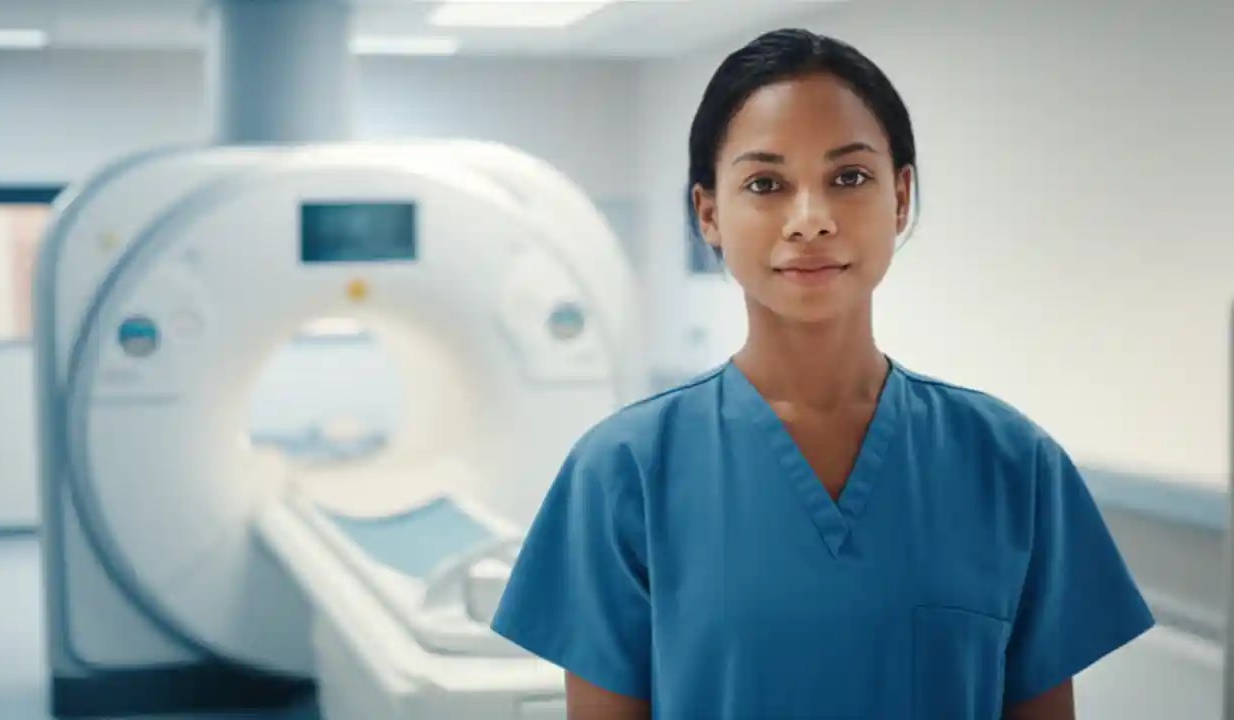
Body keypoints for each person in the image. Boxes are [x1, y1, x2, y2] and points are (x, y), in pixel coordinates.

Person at [490, 27, 1154, 720]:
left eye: (849, 177)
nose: (810, 221)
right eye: (766, 184)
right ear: (709, 213)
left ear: (900, 198)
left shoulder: (1012, 466)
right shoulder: (624, 473)